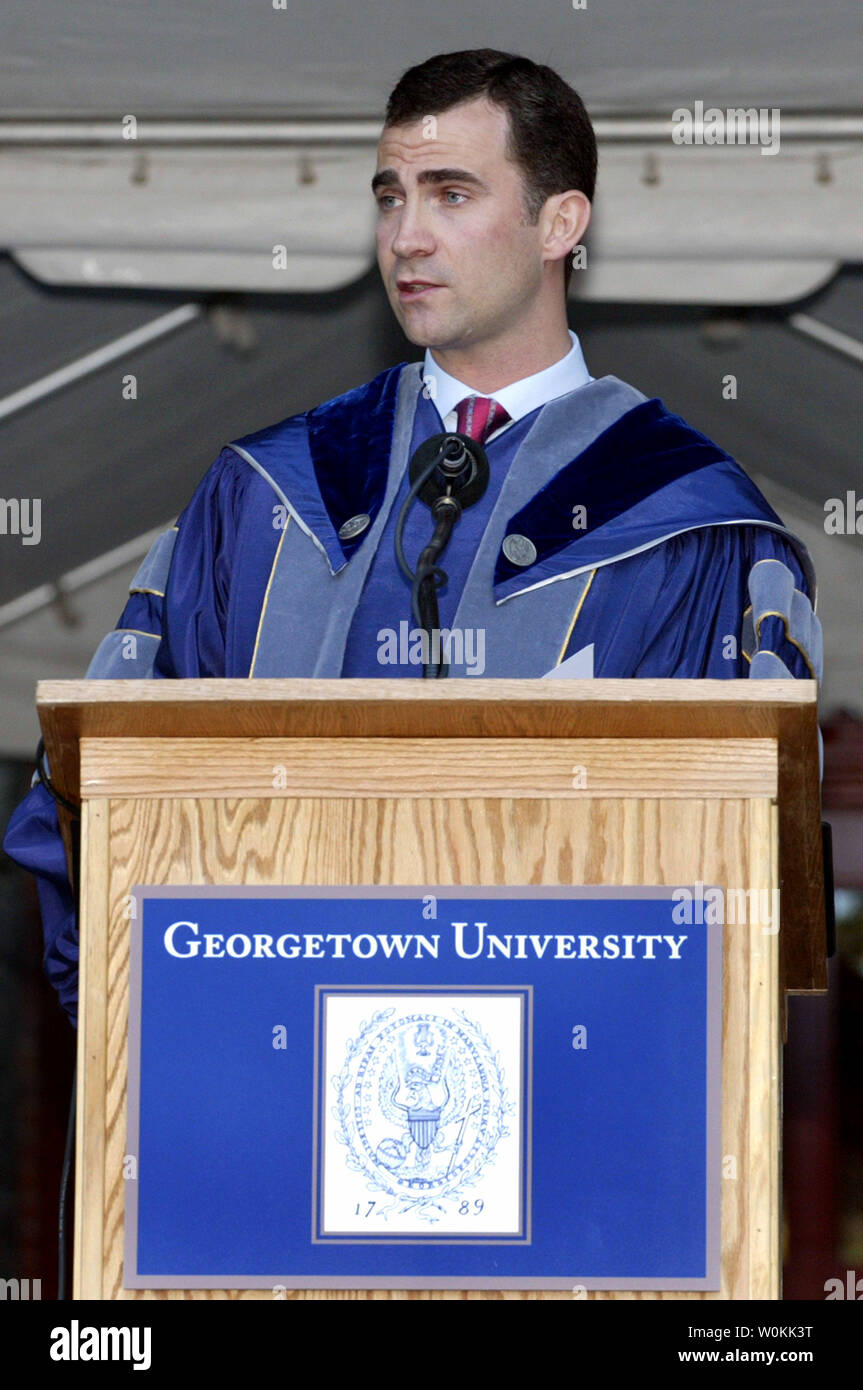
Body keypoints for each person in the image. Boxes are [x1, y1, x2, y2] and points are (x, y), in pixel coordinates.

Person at [3, 49, 823, 1023]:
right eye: (390, 198)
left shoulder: (689, 526)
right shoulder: (264, 494)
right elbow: (96, 809)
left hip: (566, 1073)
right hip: (272, 1067)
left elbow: (734, 882)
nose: (405, 237)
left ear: (559, 225)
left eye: (450, 194)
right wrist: (159, 1041)